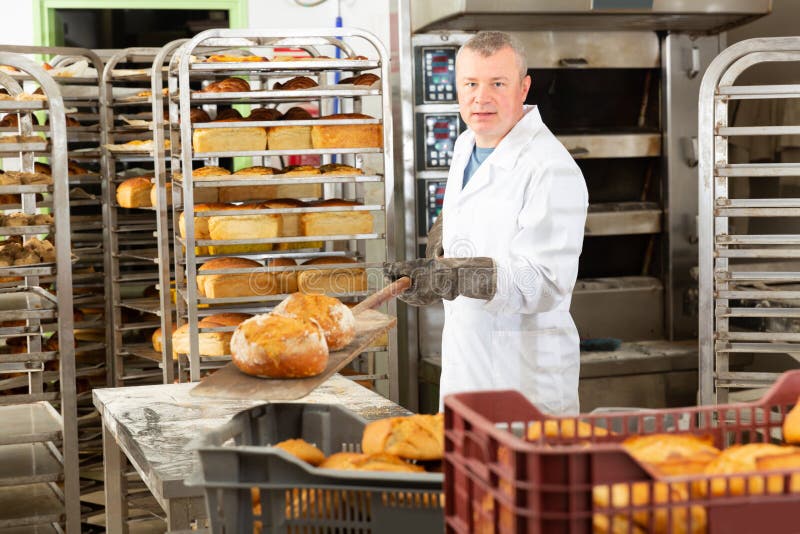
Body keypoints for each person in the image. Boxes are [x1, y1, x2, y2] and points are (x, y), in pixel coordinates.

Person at [384, 31, 588, 415]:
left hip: (523, 381)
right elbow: (476, 212)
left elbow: (545, 282)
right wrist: (442, 242)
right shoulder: (466, 144)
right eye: (471, 83)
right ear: (457, 88)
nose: (482, 97)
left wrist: (458, 274)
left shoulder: (551, 168)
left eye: (497, 83)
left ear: (523, 87)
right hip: (465, 367)